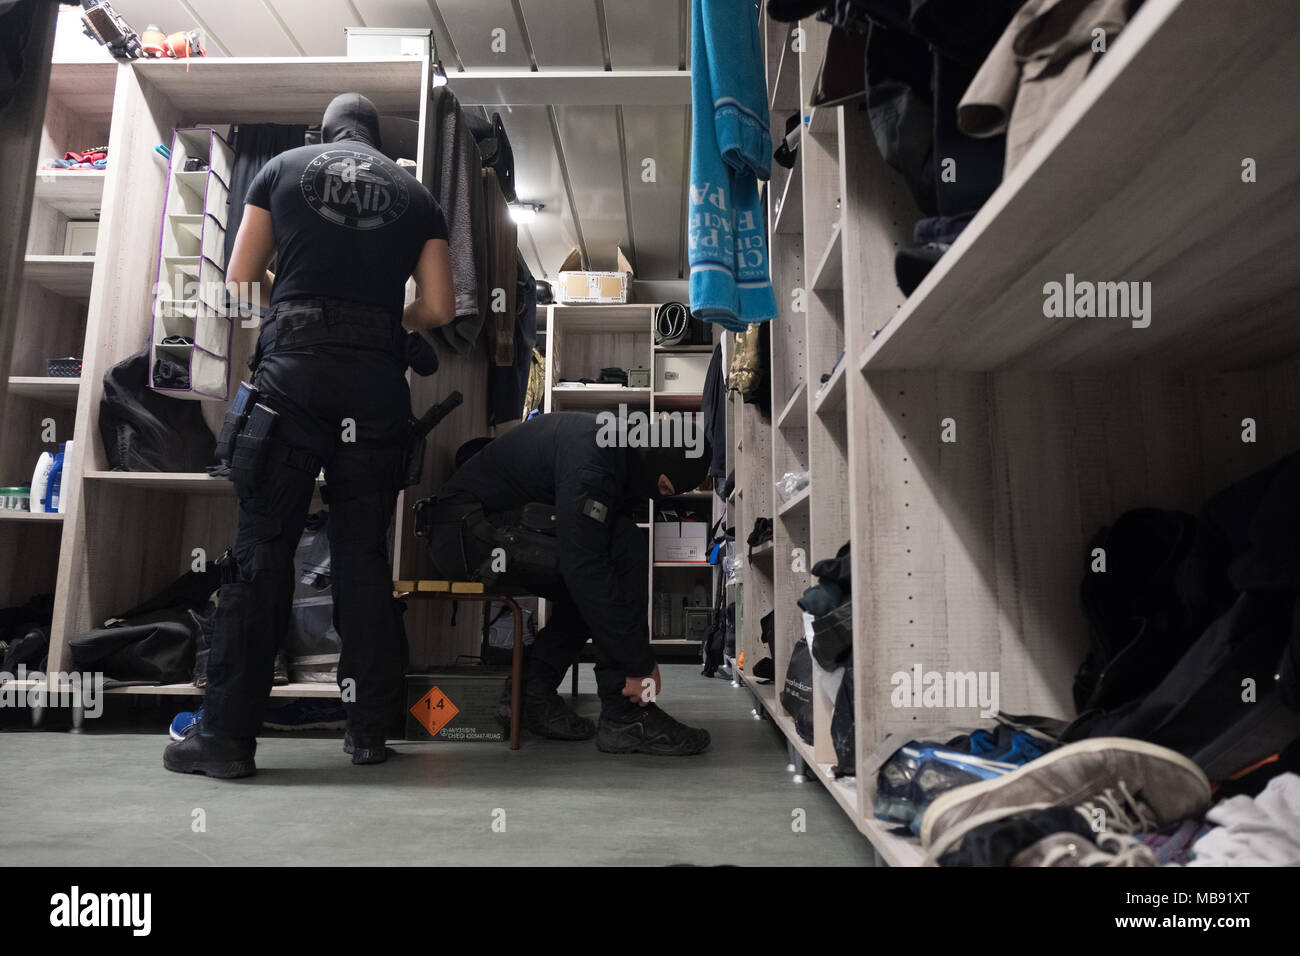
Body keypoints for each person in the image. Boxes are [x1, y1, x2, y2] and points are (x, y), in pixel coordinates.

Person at [164, 93, 455, 778]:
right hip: (376, 389)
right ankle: (368, 734)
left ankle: (227, 743)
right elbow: (439, 307)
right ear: (377, 139)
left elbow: (238, 282)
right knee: (362, 561)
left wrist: (295, 290)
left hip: (291, 381)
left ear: (321, 132)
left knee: (261, 551)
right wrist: (386, 320)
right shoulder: (417, 196)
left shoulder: (282, 169)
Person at [420, 411, 713, 756]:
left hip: (482, 528)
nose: (660, 496)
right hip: (467, 536)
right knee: (611, 560)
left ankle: (532, 696)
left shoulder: (620, 448)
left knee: (613, 552)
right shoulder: (593, 459)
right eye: (665, 487)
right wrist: (639, 663)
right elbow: (584, 567)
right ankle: (626, 716)